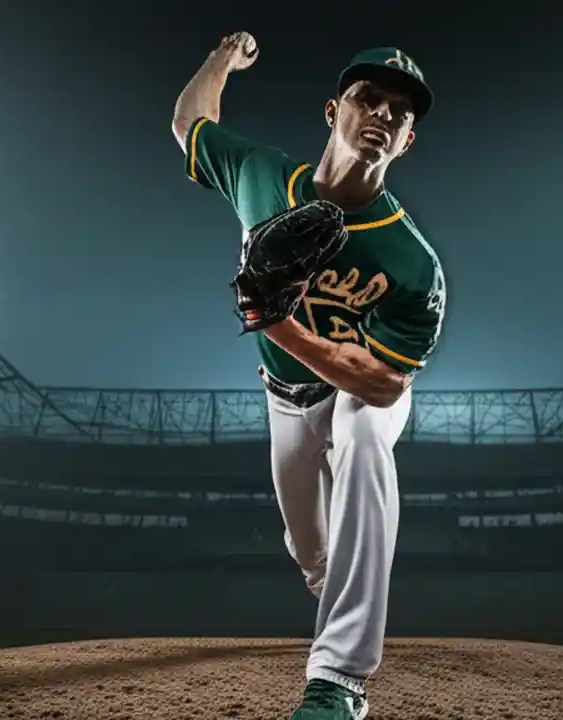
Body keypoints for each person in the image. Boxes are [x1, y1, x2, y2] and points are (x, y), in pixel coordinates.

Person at [172, 32, 446, 720]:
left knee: (364, 438)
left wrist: (277, 323)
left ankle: (339, 680)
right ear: (333, 111)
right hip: (284, 399)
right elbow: (189, 124)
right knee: (309, 549)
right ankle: (329, 584)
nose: (383, 114)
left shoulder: (413, 262)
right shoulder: (262, 175)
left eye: (401, 112)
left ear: (408, 142)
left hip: (361, 390)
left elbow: (382, 383)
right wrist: (222, 60)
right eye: (368, 98)